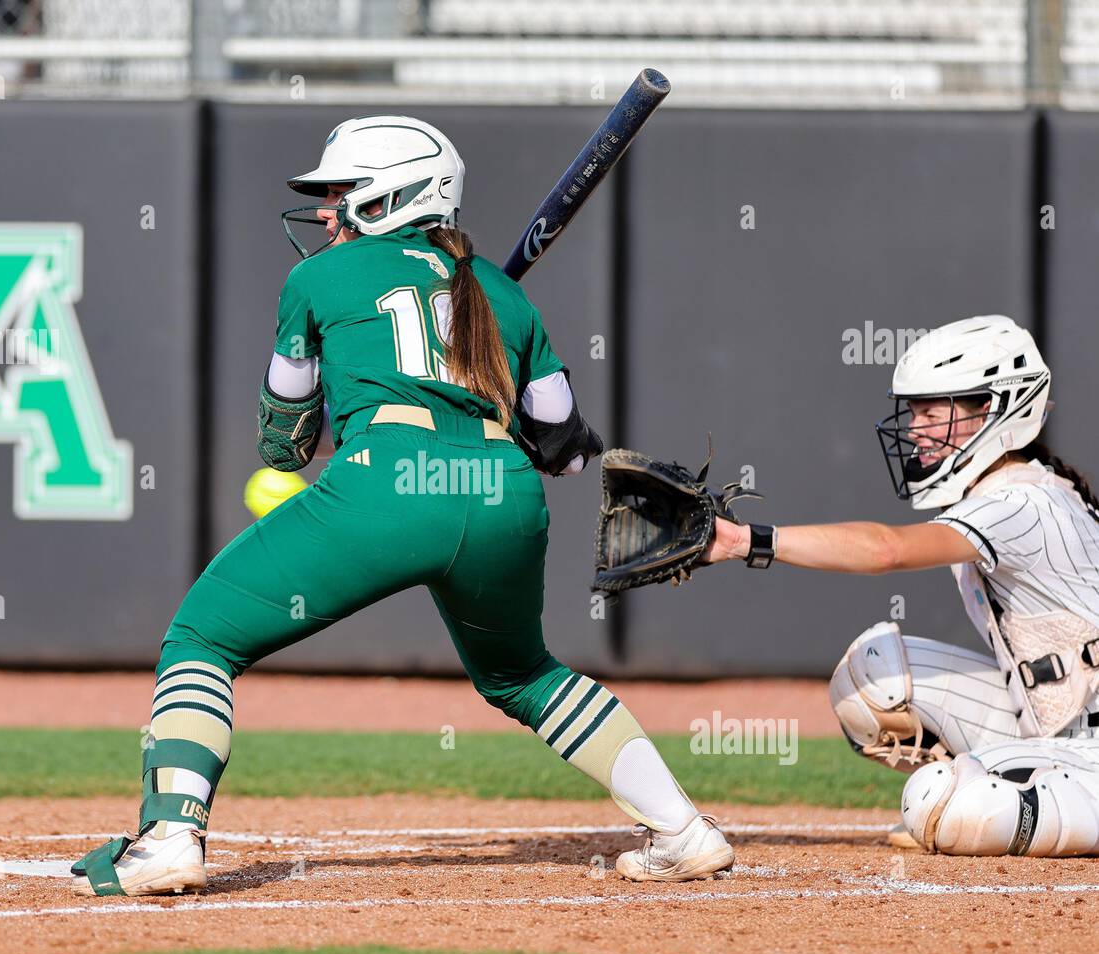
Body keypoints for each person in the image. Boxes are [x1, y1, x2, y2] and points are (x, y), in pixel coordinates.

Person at [72, 115, 734, 896]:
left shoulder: (318, 281)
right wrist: (545, 426)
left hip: (388, 480)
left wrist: (325, 427)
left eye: (341, 194)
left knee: (202, 638)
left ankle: (169, 836)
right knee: (522, 674)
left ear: (392, 196)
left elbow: (282, 440)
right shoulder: (499, 295)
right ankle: (684, 831)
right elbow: (563, 444)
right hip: (499, 491)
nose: (326, 212)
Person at [704, 315, 1099, 857]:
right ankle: (991, 790)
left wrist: (744, 541)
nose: (915, 428)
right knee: (875, 678)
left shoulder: (1022, 503)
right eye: (913, 411)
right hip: (1058, 722)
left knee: (949, 807)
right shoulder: (1012, 490)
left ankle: (982, 800)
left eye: (932, 411)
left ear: (996, 409)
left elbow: (886, 549)